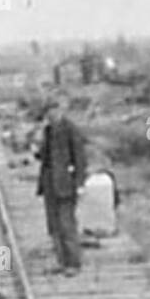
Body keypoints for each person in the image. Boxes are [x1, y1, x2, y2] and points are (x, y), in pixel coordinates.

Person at [35, 93, 86, 276]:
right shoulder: (48, 131)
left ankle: (73, 263)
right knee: (53, 226)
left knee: (67, 224)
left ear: (60, 110)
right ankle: (61, 261)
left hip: (66, 183)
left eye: (53, 110)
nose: (51, 115)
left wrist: (80, 183)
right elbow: (44, 157)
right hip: (49, 183)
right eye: (48, 112)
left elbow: (80, 158)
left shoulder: (71, 129)